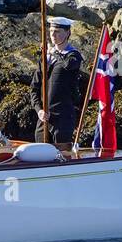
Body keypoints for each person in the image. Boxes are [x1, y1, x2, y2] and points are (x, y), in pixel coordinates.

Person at [30, 16, 85, 145]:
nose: (53, 35)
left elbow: (68, 65)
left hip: (63, 118)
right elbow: (34, 88)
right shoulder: (46, 57)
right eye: (51, 31)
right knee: (40, 153)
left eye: (57, 31)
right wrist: (39, 110)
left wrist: (52, 52)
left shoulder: (74, 55)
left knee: (62, 155)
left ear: (68, 33)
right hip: (44, 119)